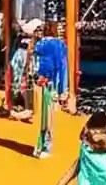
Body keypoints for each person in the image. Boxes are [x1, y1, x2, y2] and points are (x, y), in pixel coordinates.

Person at [34, 23, 69, 158]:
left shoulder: (39, 45)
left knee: (43, 116)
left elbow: (34, 64)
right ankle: (46, 147)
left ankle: (40, 144)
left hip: (39, 81)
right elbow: (62, 68)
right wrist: (63, 90)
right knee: (50, 116)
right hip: (52, 82)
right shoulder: (60, 46)